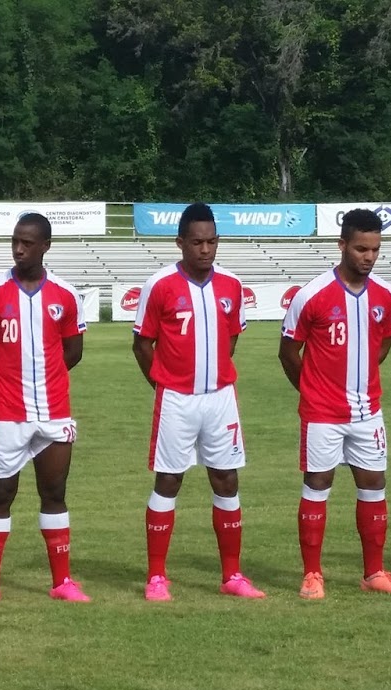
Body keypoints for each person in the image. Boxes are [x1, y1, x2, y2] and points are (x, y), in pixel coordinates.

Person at [279, 208, 391, 599]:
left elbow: (384, 341)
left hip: (368, 412)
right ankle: (312, 575)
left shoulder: (385, 296)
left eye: (374, 249)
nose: (368, 257)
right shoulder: (313, 295)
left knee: (374, 485)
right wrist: (311, 391)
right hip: (323, 412)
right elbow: (289, 351)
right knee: (317, 485)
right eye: (360, 248)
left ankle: (374, 572)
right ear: (342, 246)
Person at [131, 202, 264, 602]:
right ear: (180, 243)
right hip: (176, 400)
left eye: (211, 242)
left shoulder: (231, 285)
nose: (205, 250)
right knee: (169, 480)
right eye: (196, 242)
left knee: (226, 479)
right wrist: (164, 384)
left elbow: (232, 338)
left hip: (221, 398)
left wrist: (214, 373)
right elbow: (142, 344)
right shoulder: (160, 285)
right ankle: (157, 577)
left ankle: (232, 575)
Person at [0, 214, 88, 608]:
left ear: (45, 246)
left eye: (28, 243)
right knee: (1, 493)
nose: (19, 249)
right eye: (15, 241)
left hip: (53, 414)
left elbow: (74, 351)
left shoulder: (66, 295)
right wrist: (2, 378)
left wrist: (44, 382)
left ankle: (62, 581)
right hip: (7, 413)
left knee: (54, 492)